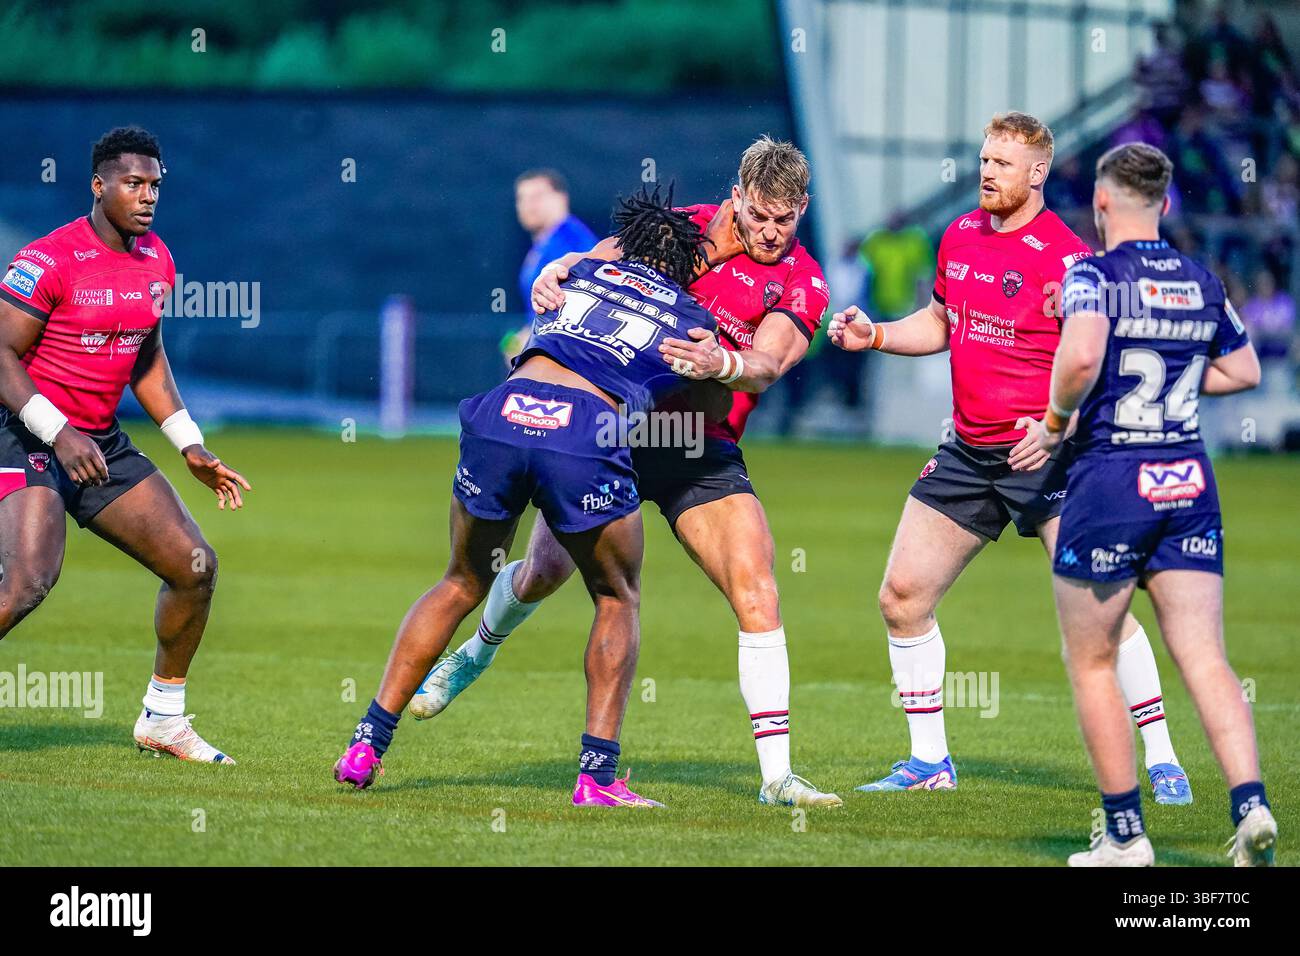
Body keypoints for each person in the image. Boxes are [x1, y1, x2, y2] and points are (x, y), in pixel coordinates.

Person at [407, 136, 843, 808]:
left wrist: (723, 363)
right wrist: (559, 272)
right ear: (737, 195)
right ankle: (473, 656)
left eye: (785, 220)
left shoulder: (802, 277)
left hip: (701, 450)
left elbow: (770, 360)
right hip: (612, 434)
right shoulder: (683, 228)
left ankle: (777, 778)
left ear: (802, 209)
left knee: (758, 588)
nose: (769, 232)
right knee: (539, 573)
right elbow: (592, 261)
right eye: (759, 216)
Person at [829, 112, 1191, 800]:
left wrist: (1057, 428)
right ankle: (930, 763)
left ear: (1038, 173)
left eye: (1003, 162)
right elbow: (940, 321)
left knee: (1104, 606)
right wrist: (873, 333)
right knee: (902, 598)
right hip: (970, 449)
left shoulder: (1070, 261)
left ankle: (1164, 755)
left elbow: (1104, 363)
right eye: (986, 159)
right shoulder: (959, 235)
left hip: (1050, 457)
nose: (988, 171)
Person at [333, 186, 720, 807]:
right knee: (616, 597)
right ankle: (596, 778)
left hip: (502, 413)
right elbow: (708, 407)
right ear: (689, 264)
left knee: (460, 582)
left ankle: (366, 743)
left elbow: (542, 327)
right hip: (581, 434)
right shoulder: (694, 319)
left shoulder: (580, 270)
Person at [1025, 142, 1275, 866]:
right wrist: (1181, 385)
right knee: (1204, 655)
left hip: (1112, 478)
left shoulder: (1091, 276)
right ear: (1164, 205)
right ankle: (1250, 803)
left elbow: (1076, 361)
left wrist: (1051, 424)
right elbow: (1246, 368)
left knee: (1094, 661)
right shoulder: (1200, 279)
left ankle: (1127, 836)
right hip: (1188, 479)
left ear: (1101, 202)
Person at [0, 126, 250, 762]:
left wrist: (189, 443)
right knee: (27, 581)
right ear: (98, 185)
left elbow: (145, 358)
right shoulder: (48, 259)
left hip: (99, 443)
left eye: (155, 186)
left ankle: (162, 719)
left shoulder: (156, 260)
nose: (146, 197)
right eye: (133, 184)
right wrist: (58, 431)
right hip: (24, 434)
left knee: (194, 566)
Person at [502, 170, 599, 362]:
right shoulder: (545, 245)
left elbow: (581, 306)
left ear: (561, 198)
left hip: (566, 359)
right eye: (522, 198)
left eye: (537, 197)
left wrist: (532, 342)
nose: (528, 205)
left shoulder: (571, 242)